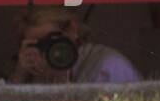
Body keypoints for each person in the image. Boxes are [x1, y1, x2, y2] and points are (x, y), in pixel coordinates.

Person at [12, 6, 141, 84]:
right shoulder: (36, 74)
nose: (49, 50)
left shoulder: (107, 66)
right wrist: (20, 75)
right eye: (39, 45)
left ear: (72, 30)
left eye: (52, 40)